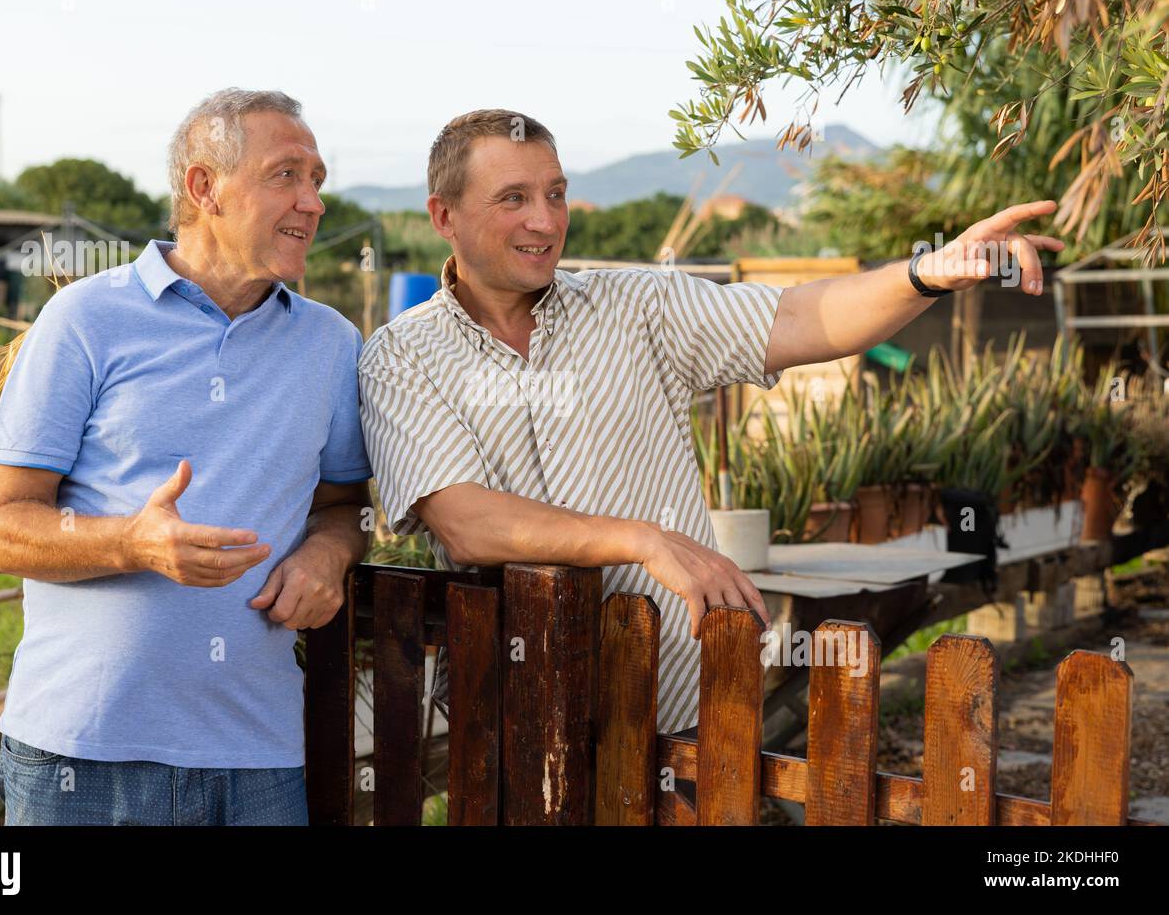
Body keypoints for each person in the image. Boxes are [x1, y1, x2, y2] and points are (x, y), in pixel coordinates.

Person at [358, 107, 1063, 735]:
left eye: (555, 194)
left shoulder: (639, 306)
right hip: (516, 722)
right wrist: (640, 540)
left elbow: (800, 317)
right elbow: (464, 520)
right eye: (514, 199)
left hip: (681, 707)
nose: (545, 221)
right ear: (443, 215)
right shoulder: (400, 356)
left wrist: (925, 273)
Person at [0, 88, 371, 825]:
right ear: (204, 187)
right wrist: (133, 542)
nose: (314, 202)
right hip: (79, 756)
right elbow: (1, 530)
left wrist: (329, 556)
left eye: (317, 179)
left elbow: (346, 506)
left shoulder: (331, 343)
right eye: (286, 175)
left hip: (259, 759)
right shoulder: (84, 320)